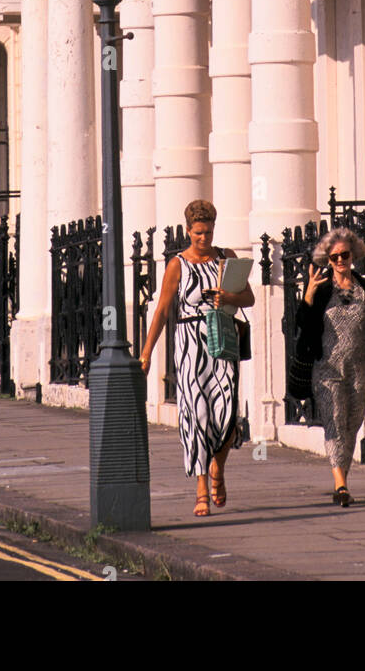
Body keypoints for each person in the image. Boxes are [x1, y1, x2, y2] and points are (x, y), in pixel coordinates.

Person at [140, 199, 254, 517]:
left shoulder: (226, 258)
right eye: (198, 233)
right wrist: (147, 352)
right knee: (197, 414)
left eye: (208, 232)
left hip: (223, 340)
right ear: (188, 231)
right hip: (190, 345)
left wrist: (227, 297)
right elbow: (163, 309)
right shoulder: (178, 264)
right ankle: (202, 486)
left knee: (226, 414)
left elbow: (249, 297)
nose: (204, 238)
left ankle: (218, 467)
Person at [295, 227, 365, 507]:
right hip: (327, 367)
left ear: (353, 256)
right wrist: (308, 294)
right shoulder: (322, 288)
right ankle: (340, 484)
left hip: (359, 367)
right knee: (334, 421)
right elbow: (302, 326)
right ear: (327, 260)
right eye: (335, 256)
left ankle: (342, 479)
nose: (340, 260)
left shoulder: (364, 287)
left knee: (351, 424)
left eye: (345, 255)